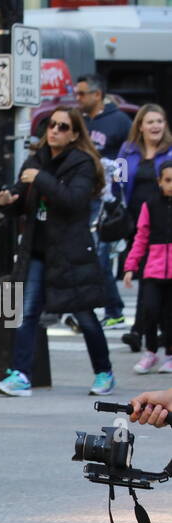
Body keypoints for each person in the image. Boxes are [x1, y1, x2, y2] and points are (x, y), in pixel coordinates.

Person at [0, 107, 115, 397]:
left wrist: (41, 179)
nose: (54, 131)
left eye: (62, 126)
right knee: (28, 311)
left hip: (70, 252)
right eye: (51, 125)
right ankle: (21, 375)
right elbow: (21, 197)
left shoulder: (82, 163)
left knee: (84, 315)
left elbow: (73, 201)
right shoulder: (37, 160)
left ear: (73, 135)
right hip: (37, 249)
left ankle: (104, 372)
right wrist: (7, 200)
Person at [75, 74, 133, 329]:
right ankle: (85, 308)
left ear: (97, 95)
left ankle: (114, 309)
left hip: (105, 199)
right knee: (81, 255)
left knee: (100, 255)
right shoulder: (80, 122)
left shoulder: (119, 121)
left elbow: (126, 160)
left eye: (82, 94)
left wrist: (118, 194)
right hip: (80, 196)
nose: (78, 98)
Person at [116, 105, 172, 361]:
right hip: (133, 221)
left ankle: (142, 330)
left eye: (159, 121)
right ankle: (144, 330)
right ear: (140, 125)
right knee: (144, 276)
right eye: (150, 121)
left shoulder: (170, 152)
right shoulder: (127, 152)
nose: (155, 126)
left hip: (162, 223)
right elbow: (118, 184)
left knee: (153, 279)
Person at [123, 164, 172, 373]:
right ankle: (150, 352)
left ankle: (169, 355)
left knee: (170, 315)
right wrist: (130, 266)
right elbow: (141, 237)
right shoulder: (150, 205)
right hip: (153, 269)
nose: (171, 185)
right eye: (168, 180)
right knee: (150, 310)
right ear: (159, 182)